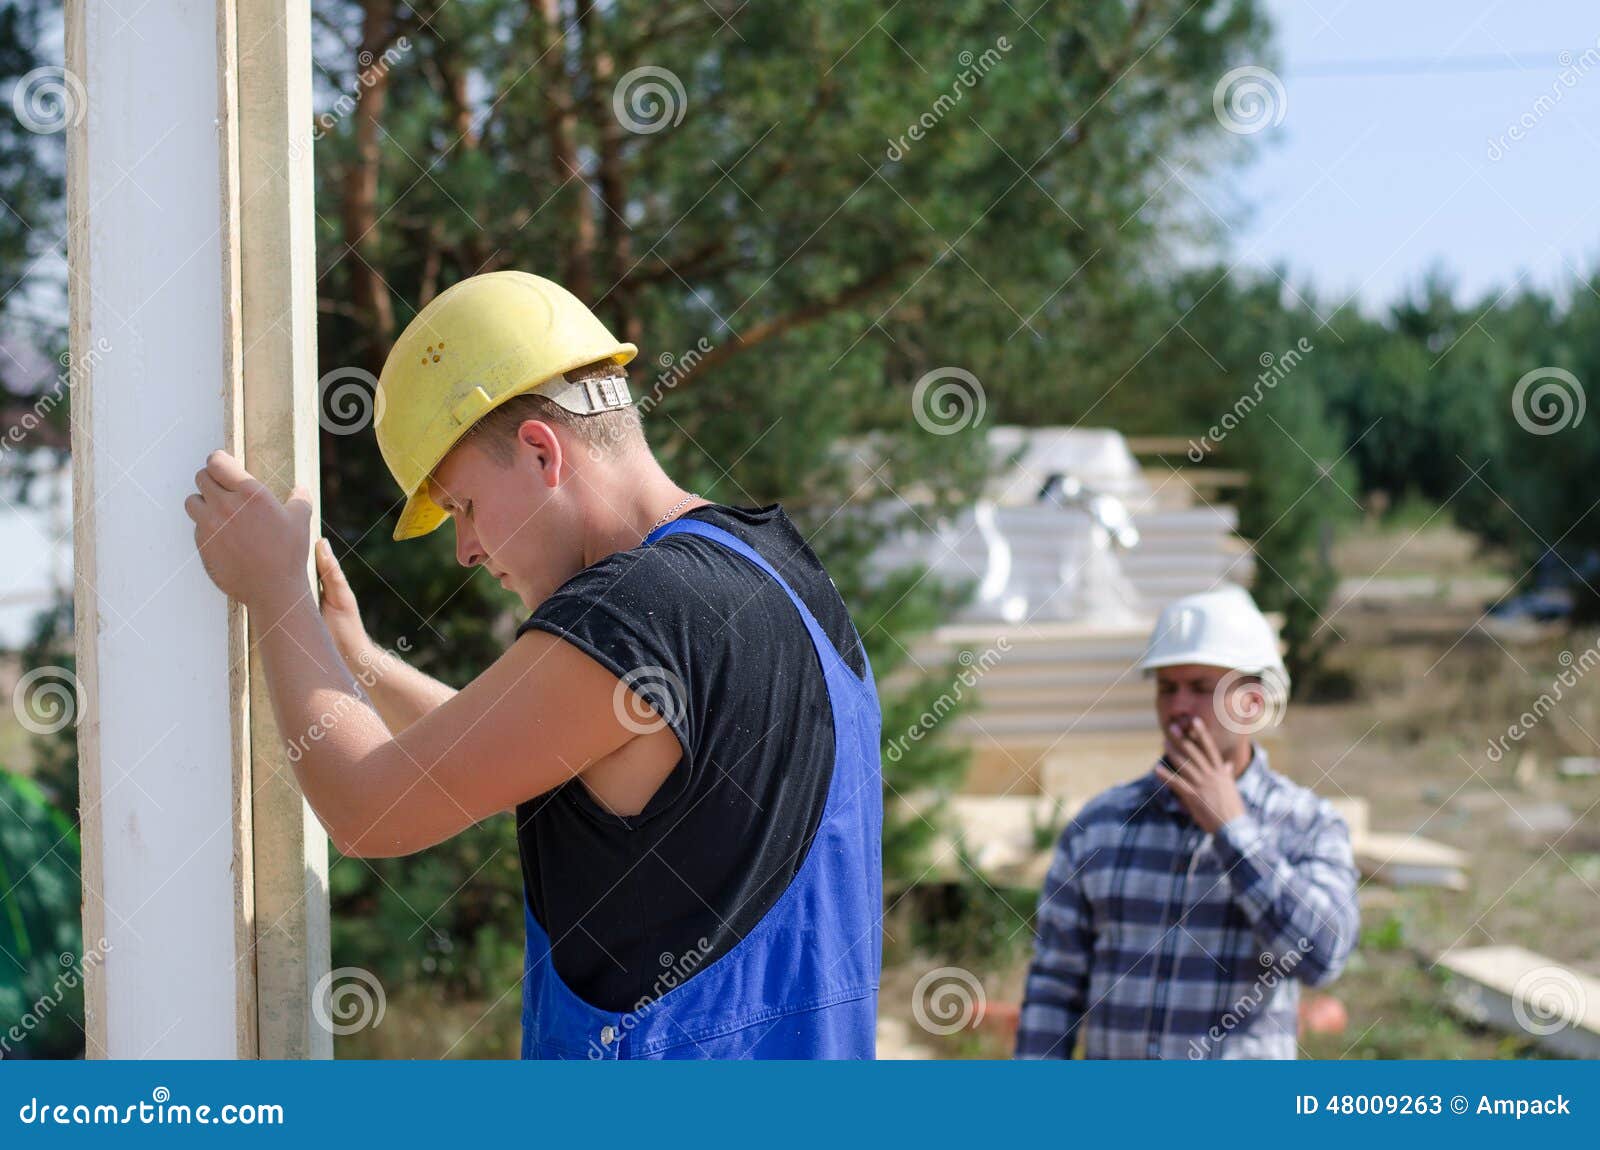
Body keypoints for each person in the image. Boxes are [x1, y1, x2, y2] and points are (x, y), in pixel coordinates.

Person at [183, 271, 883, 1059]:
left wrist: (276, 592)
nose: (466, 549)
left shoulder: (632, 609)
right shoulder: (777, 575)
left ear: (541, 451)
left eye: (464, 507)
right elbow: (530, 750)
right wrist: (360, 661)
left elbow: (369, 809)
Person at [1015, 587, 1358, 1059]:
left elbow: (1322, 958)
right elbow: (1054, 987)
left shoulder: (1308, 826)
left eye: (1199, 688)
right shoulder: (1099, 827)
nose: (1179, 708)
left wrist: (1232, 830)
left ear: (1253, 703)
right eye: (1167, 688)